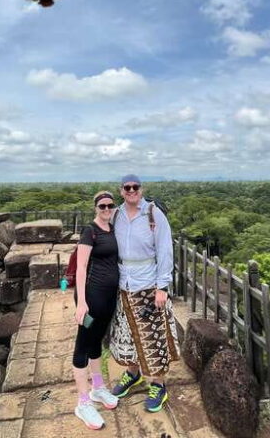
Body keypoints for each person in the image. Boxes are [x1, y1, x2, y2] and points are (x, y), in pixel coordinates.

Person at [109, 174, 179, 412]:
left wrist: (163, 287)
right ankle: (133, 373)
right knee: (127, 333)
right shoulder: (116, 214)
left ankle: (158, 385)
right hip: (123, 283)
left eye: (135, 187)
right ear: (121, 191)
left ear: (141, 189)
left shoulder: (152, 214)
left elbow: (165, 250)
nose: (131, 191)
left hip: (147, 282)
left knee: (153, 335)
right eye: (127, 188)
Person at [71, 190, 121, 429]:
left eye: (110, 205)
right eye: (102, 206)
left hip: (108, 298)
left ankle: (97, 388)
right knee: (83, 342)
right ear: (95, 208)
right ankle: (82, 402)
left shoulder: (112, 229)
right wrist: (82, 302)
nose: (106, 209)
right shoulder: (90, 231)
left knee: (97, 341)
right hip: (91, 298)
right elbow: (81, 268)